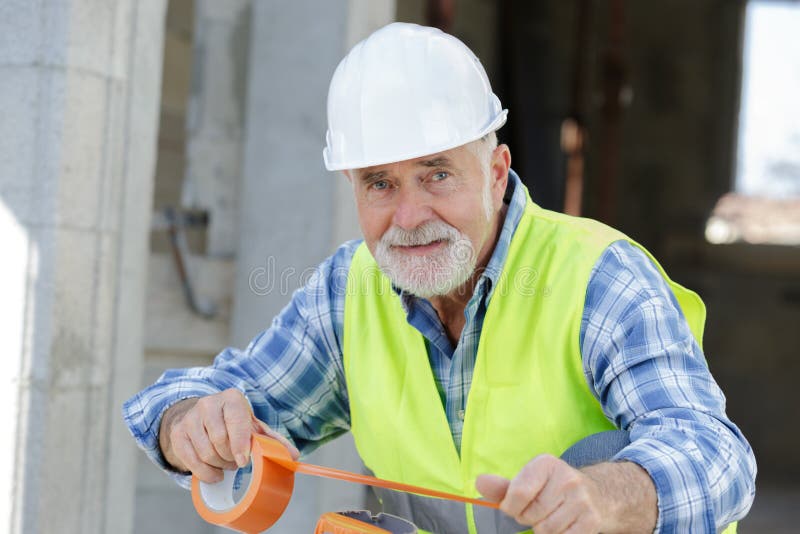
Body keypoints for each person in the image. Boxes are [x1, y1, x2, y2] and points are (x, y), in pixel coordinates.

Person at [124, 22, 756, 533]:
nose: (408, 217)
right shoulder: (348, 292)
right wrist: (190, 425)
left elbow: (717, 457)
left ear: (496, 173)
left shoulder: (599, 277)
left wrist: (608, 496)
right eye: (380, 183)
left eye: (437, 174)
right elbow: (200, 399)